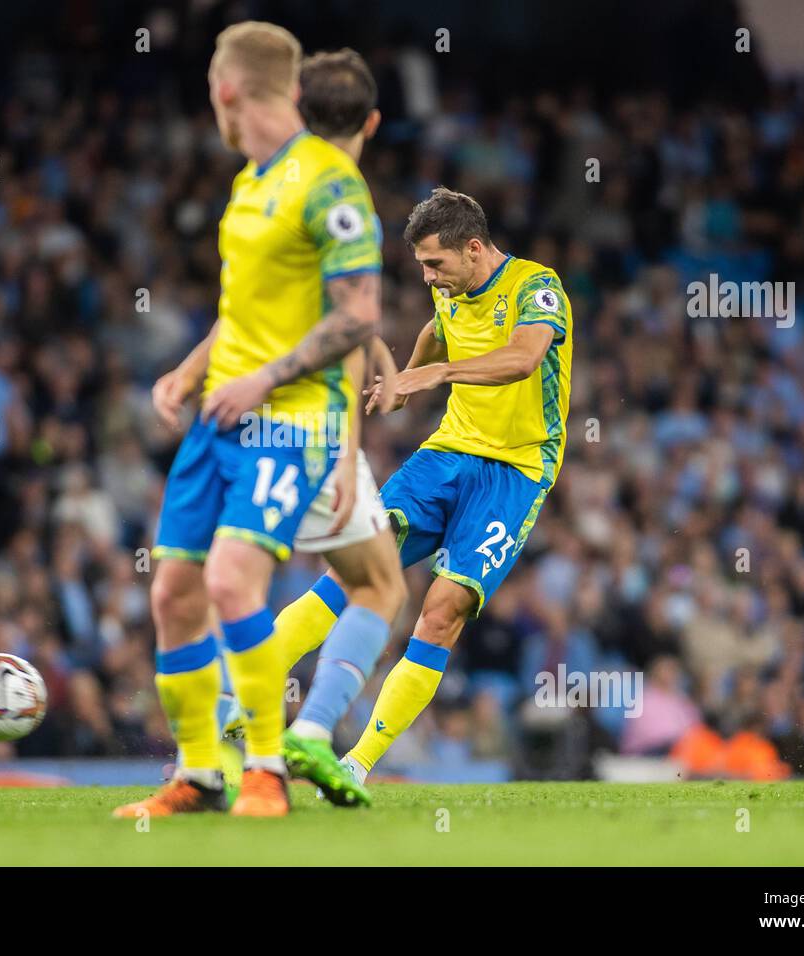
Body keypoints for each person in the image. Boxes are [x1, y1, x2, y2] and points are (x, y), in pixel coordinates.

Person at [114, 21, 383, 818]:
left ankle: (264, 769)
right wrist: (189, 371)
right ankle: (198, 775)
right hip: (218, 420)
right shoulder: (247, 185)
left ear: (227, 91)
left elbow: (360, 315)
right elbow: (243, 315)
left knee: (234, 582)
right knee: (173, 594)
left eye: (211, 97)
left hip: (291, 419)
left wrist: (265, 378)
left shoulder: (329, 183)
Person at [287, 187, 574, 788]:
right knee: (355, 565)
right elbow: (437, 333)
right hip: (445, 454)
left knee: (441, 612)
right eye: (421, 265)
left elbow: (523, 359)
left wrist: (434, 374)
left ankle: (357, 762)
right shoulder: (450, 289)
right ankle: (250, 697)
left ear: (474, 248)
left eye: (435, 264)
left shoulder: (535, 288)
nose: (427, 276)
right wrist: (403, 377)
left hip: (515, 472)